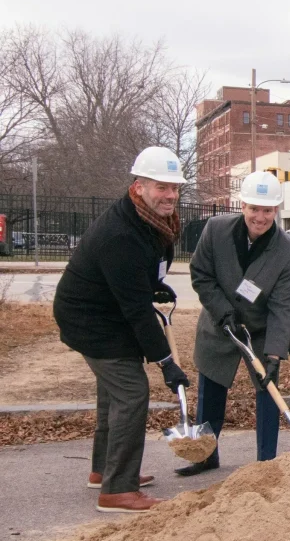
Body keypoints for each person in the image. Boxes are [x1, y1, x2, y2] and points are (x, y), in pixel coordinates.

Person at [53, 146, 189, 512]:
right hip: (93, 320)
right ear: (139, 186)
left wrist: (151, 284)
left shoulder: (145, 220)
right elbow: (135, 311)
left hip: (105, 311)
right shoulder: (122, 234)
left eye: (175, 188)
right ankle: (118, 490)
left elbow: (137, 282)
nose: (170, 195)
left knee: (113, 394)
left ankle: (104, 471)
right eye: (162, 187)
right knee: (131, 392)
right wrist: (165, 362)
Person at [179, 171, 290, 476]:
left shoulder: (287, 251)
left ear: (277, 210)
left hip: (259, 331)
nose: (260, 217)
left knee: (267, 390)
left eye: (268, 210)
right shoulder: (216, 230)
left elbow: (283, 306)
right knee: (211, 391)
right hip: (219, 326)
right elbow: (201, 274)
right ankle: (205, 454)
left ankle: (266, 461)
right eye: (254, 209)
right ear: (242, 205)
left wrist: (274, 354)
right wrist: (223, 313)